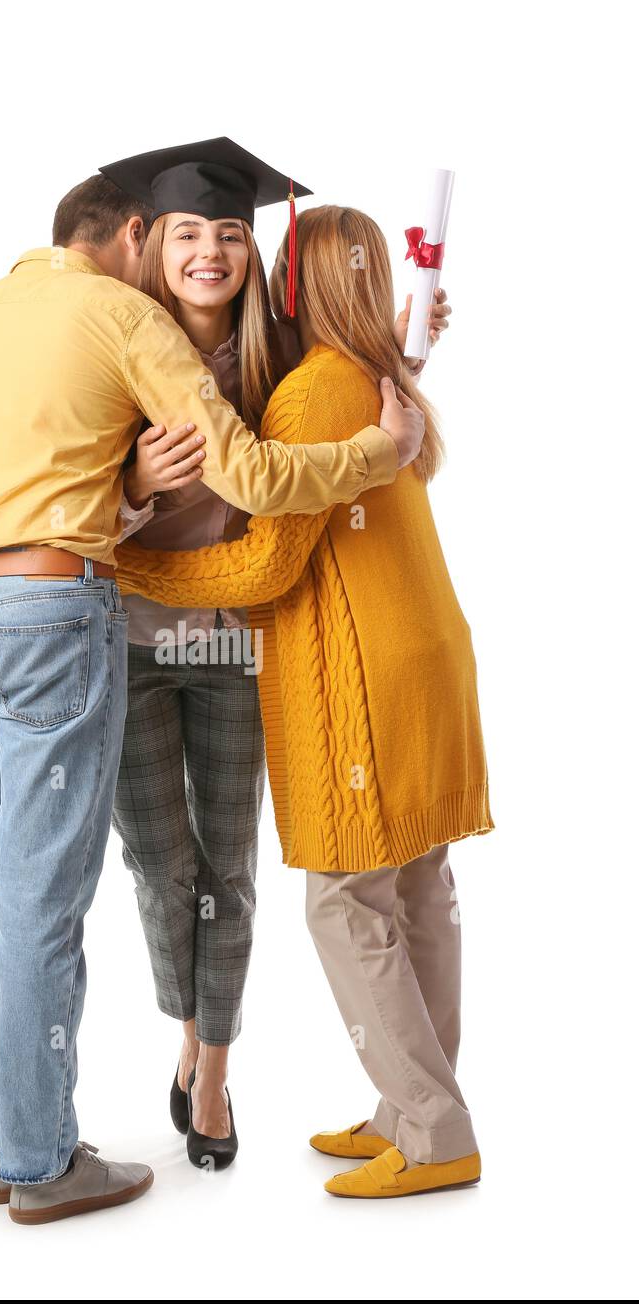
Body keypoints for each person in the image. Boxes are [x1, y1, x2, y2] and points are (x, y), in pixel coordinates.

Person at [0, 160, 426, 1223]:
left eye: (231, 236)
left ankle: (74, 1118)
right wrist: (371, 455)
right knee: (97, 879)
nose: (206, 255)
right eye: (185, 233)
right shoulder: (115, 320)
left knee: (49, 880)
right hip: (78, 620)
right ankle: (41, 1156)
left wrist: (405, 342)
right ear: (139, 238)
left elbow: (17, 459)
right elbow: (228, 480)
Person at [114, 202, 493, 1199]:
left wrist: (128, 564)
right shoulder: (381, 375)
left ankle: (432, 1131)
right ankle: (410, 1106)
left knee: (343, 898)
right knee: (417, 894)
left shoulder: (308, 397)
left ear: (291, 285)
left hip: (358, 673)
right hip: (429, 659)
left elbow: (262, 569)